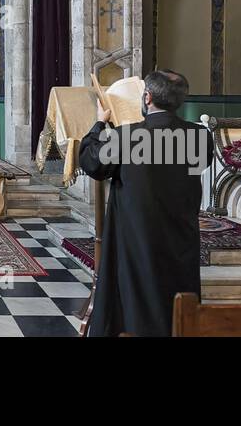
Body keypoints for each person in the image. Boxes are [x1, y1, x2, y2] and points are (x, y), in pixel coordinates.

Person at [77, 70, 213, 337]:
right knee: (175, 296)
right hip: (179, 237)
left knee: (134, 302)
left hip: (136, 237)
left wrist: (98, 126)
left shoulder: (125, 136)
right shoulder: (200, 137)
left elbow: (92, 163)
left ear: (147, 97)